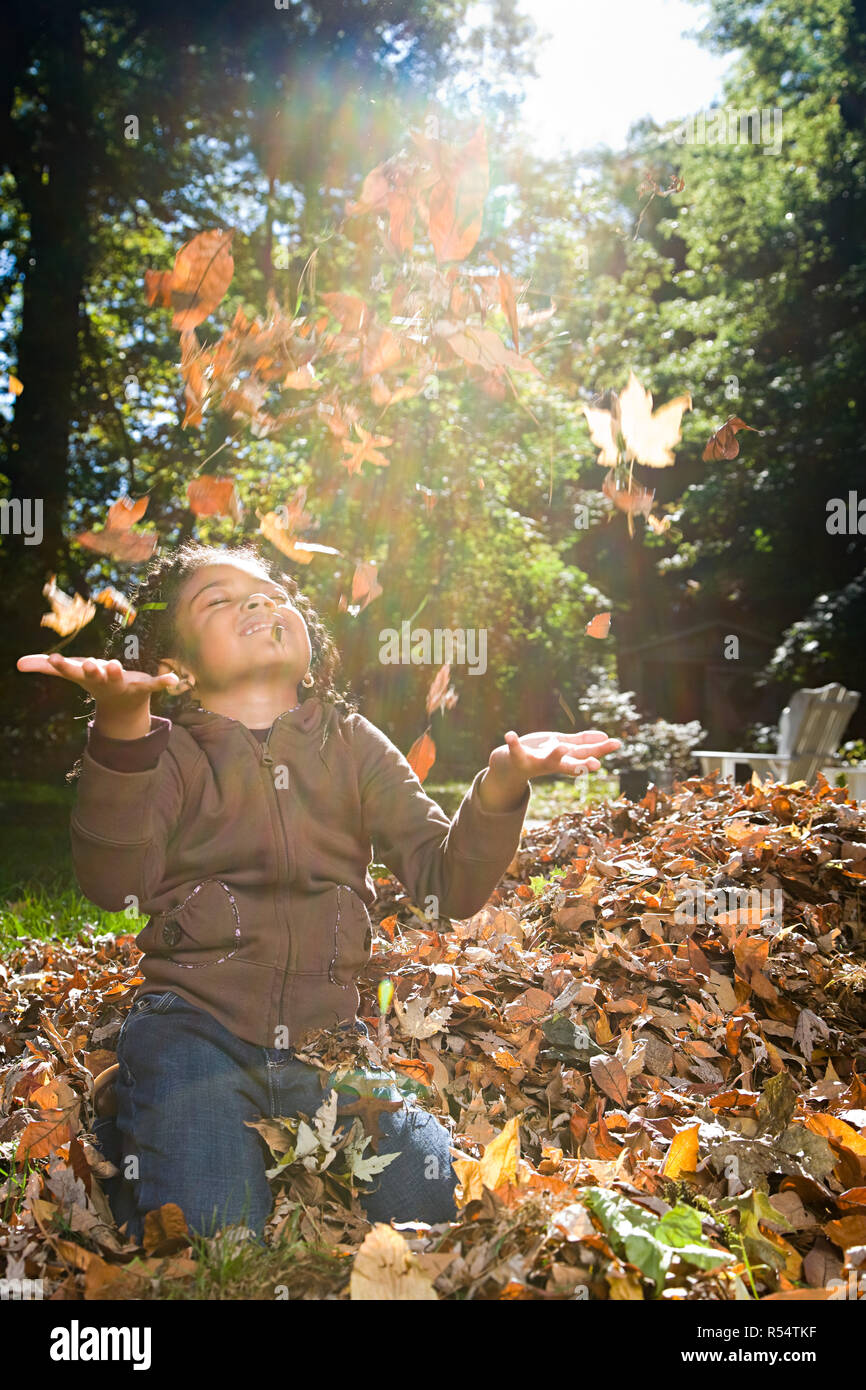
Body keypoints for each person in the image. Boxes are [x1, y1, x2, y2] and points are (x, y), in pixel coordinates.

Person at [18, 542, 620, 1244]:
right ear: (174, 665)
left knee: (432, 1204)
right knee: (215, 1233)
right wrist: (121, 732)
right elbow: (112, 883)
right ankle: (141, 1110)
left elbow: (445, 883)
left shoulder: (354, 746)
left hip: (332, 1046)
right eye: (218, 599)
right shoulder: (170, 750)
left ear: (309, 644)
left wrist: (499, 786)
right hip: (192, 1031)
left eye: (270, 593)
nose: (255, 603)